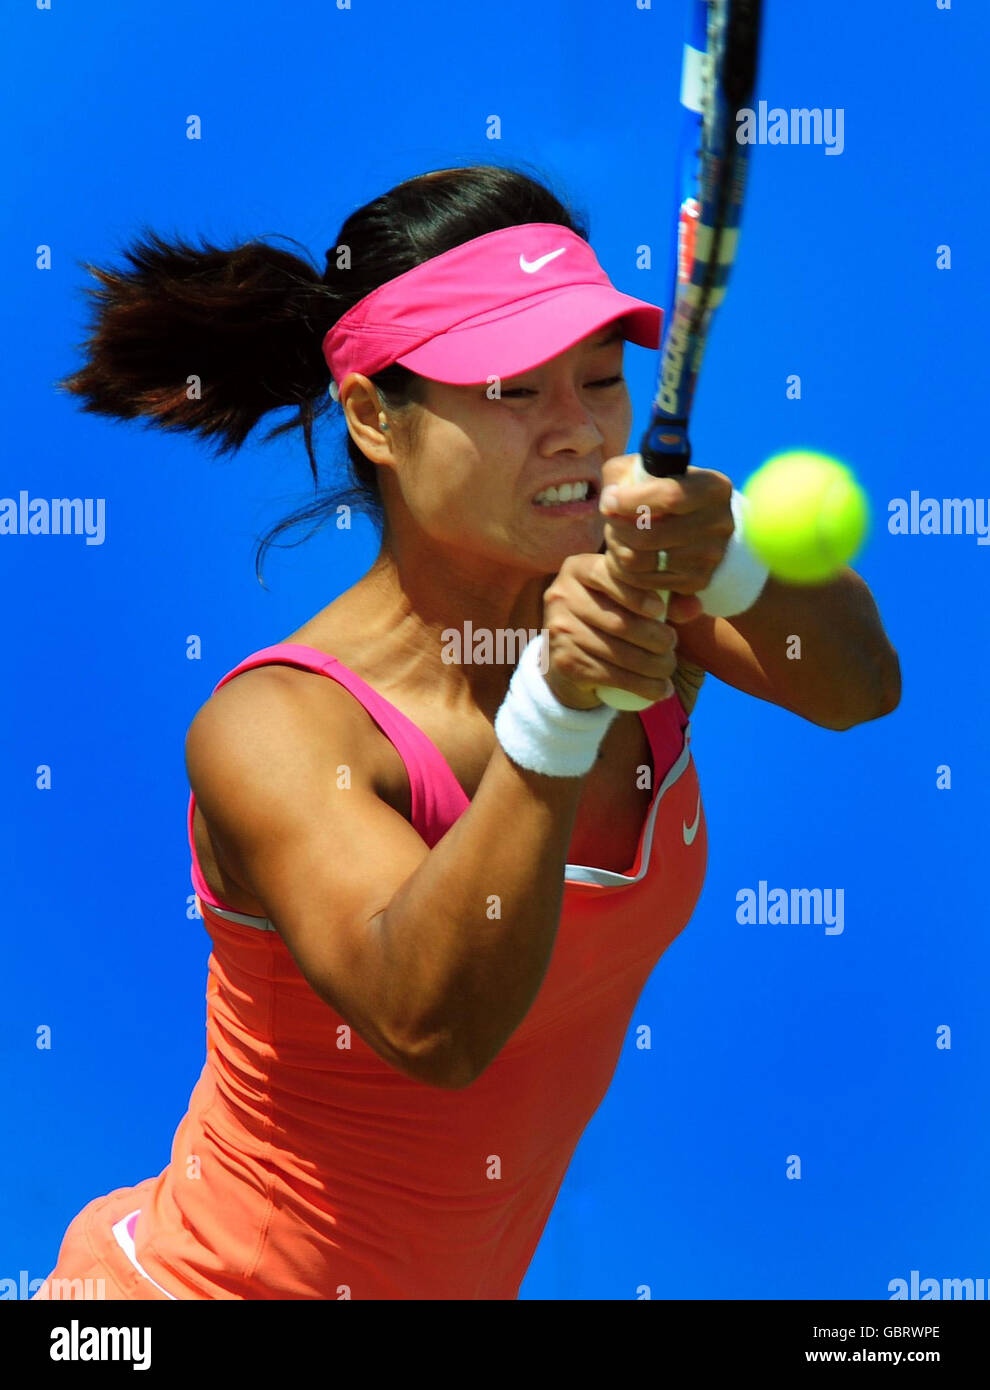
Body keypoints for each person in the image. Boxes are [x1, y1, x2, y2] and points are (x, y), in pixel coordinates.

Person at [32, 163, 900, 1301]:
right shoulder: (277, 725)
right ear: (373, 420)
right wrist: (556, 713)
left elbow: (857, 686)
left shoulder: (647, 599)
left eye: (598, 380)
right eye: (511, 393)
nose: (577, 433)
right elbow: (432, 1025)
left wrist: (728, 557)